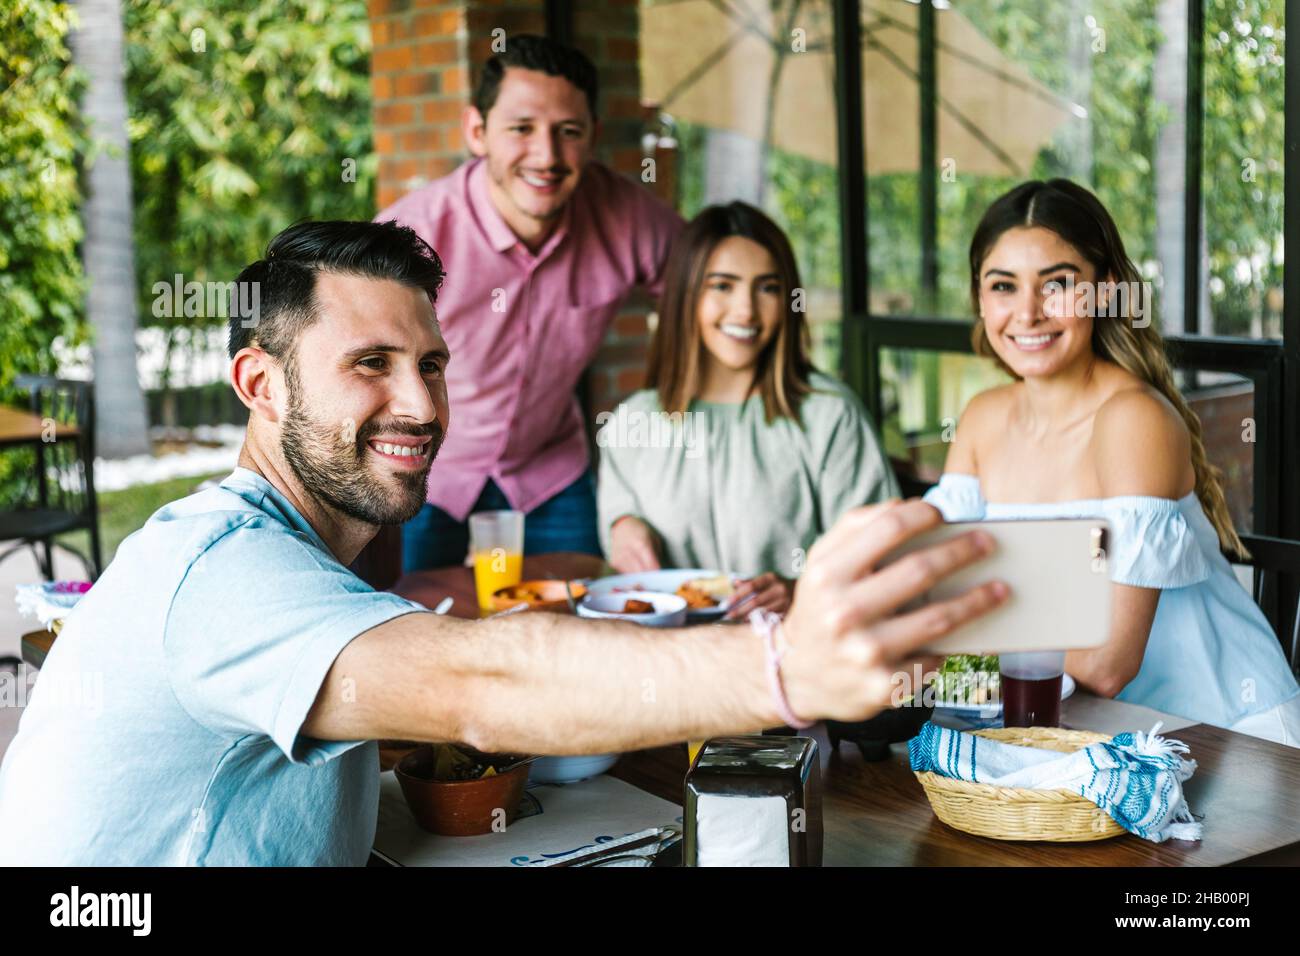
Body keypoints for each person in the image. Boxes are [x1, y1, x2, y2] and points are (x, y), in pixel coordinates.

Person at [0, 220, 1009, 865]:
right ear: (261, 385)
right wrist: (786, 666)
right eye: (371, 362)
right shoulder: (223, 567)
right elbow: (482, 683)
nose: (418, 401)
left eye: (431, 364)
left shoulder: (301, 557)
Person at [924, 178, 1300, 745]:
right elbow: (929, 574)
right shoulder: (981, 417)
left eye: (1059, 284)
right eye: (1004, 285)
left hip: (1222, 741)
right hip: (1081, 738)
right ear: (980, 298)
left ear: (1107, 291)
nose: (1027, 313)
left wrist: (949, 638)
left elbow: (1105, 662)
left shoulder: (1132, 420)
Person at [376, 34, 683, 570]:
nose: (546, 155)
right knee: (415, 623)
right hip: (425, 467)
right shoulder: (412, 234)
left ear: (592, 138)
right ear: (478, 131)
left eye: (568, 132)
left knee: (586, 614)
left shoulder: (627, 217)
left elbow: (710, 292)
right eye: (521, 129)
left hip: (550, 471)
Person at [598, 202, 899, 619]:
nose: (746, 311)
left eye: (768, 288)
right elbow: (618, 514)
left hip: (793, 662)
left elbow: (881, 556)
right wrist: (623, 525)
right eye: (722, 286)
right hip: (667, 663)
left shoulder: (830, 416)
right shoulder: (632, 422)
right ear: (685, 295)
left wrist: (798, 590)